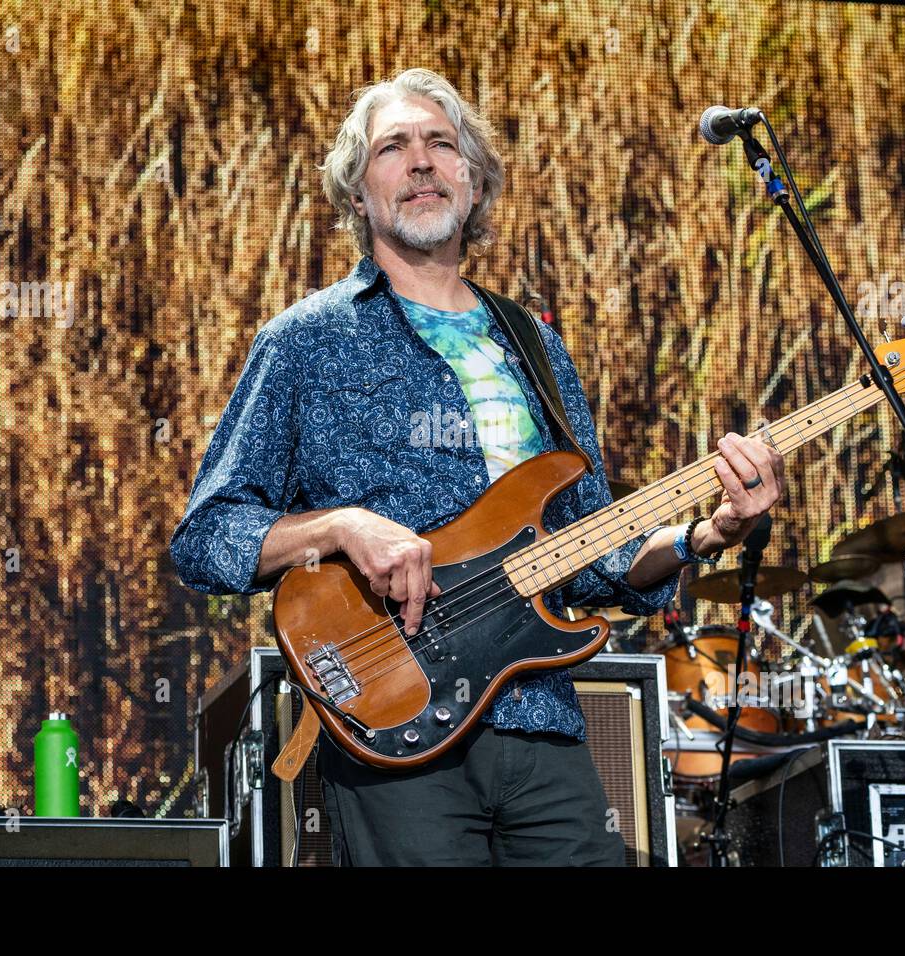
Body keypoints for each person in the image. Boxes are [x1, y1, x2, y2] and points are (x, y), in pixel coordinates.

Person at [170, 68, 785, 866]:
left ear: (474, 178)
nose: (421, 162)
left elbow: (595, 558)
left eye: (440, 144)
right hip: (396, 720)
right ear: (358, 194)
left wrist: (707, 531)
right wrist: (343, 527)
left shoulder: (534, 345)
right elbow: (208, 538)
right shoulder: (306, 341)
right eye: (393, 147)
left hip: (542, 723)